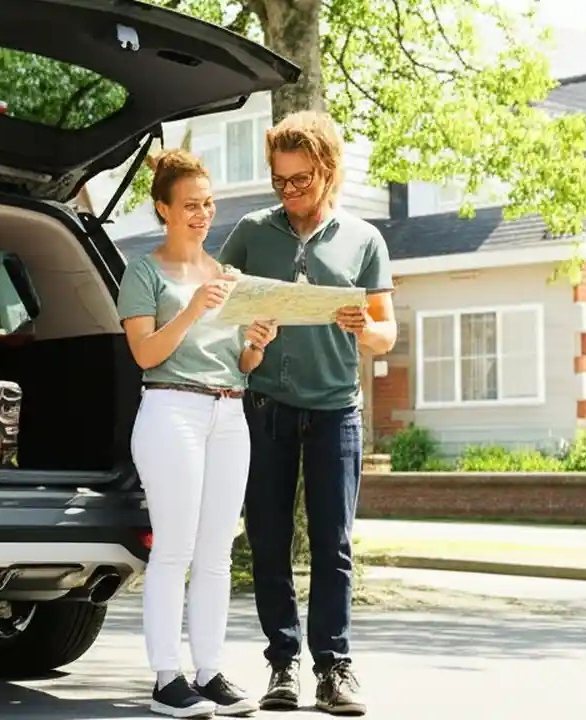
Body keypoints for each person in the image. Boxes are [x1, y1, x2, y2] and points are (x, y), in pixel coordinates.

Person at [217, 111, 397, 716]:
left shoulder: (363, 240)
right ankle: (282, 664)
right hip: (266, 406)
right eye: (280, 182)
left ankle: (334, 668)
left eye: (300, 180)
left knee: (332, 544)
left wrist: (362, 327)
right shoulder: (250, 232)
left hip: (335, 412)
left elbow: (387, 336)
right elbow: (216, 305)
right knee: (268, 541)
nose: (289, 192)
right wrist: (247, 327)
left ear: (327, 172)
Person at [118, 149, 280, 718]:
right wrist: (190, 310)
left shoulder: (228, 277)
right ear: (163, 208)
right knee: (176, 549)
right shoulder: (143, 271)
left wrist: (257, 342)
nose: (202, 214)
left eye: (208, 204)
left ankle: (209, 672)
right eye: (190, 205)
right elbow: (145, 353)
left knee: (217, 553)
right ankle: (167, 679)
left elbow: (241, 362)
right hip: (170, 411)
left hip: (228, 413)